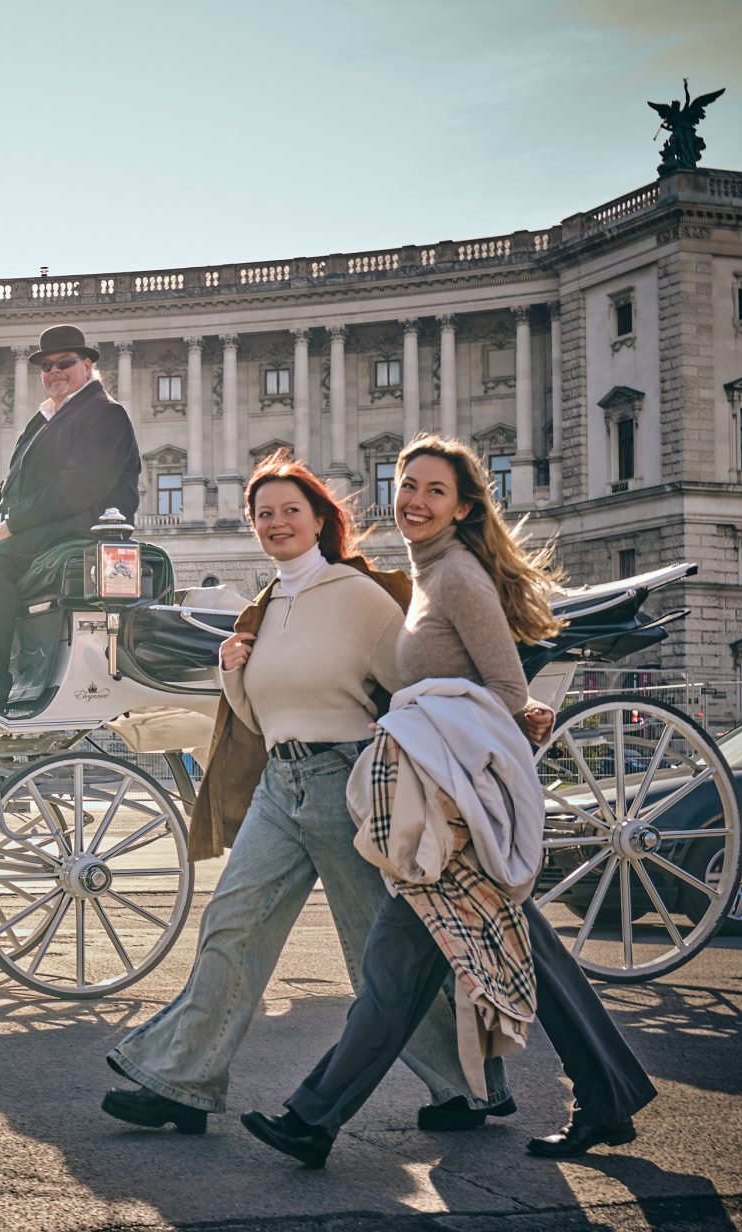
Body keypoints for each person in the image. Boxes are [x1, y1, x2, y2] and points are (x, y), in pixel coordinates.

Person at [242, 434, 656, 1168]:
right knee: (441, 965)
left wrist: (426, 736)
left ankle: (313, 1118)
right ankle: (609, 1095)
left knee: (396, 970)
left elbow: (503, 691)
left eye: (435, 490)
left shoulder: (458, 576)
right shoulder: (429, 574)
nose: (416, 501)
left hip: (450, 804)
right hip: (441, 797)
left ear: (463, 506)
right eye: (407, 485)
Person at [103, 453, 506, 1136]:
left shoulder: (360, 597)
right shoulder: (267, 604)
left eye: (291, 509)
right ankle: (183, 1082)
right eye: (264, 514)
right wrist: (232, 672)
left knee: (371, 951)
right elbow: (261, 717)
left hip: (343, 782)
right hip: (279, 782)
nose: (276, 522)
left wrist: (405, 739)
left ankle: (466, 1088)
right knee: (231, 927)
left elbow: (412, 684)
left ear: (321, 519)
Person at [0, 325, 139, 710]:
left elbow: (77, 486)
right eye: (47, 366)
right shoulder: (45, 419)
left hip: (84, 528)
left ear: (88, 365)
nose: (54, 372)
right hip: (50, 527)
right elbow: (23, 482)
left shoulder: (105, 414)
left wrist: (15, 524)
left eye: (64, 362)